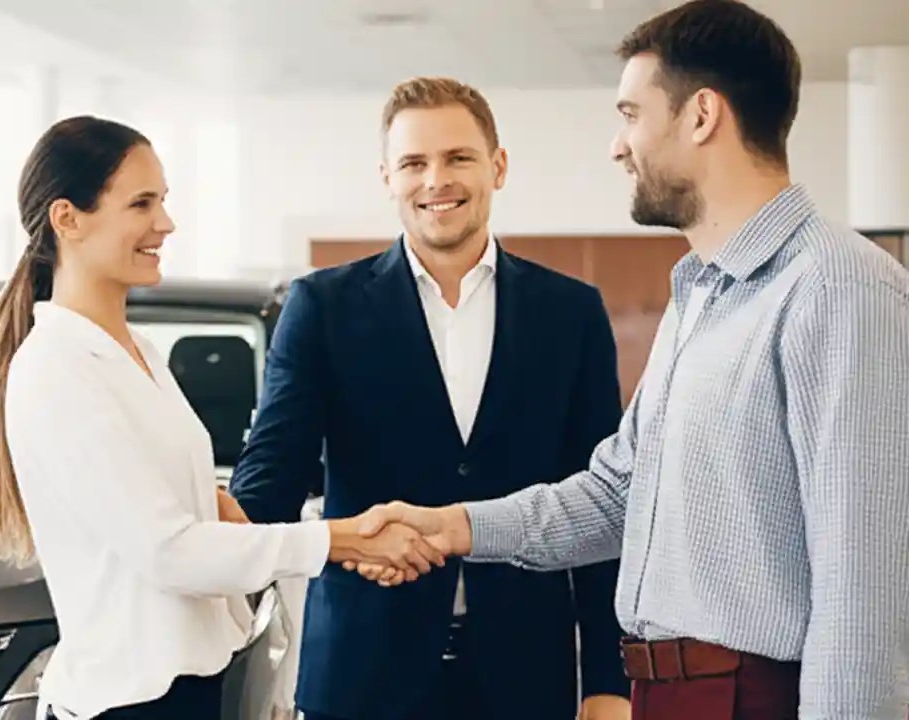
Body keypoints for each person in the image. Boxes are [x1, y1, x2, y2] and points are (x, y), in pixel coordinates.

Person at [352, 1, 909, 719]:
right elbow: (618, 491)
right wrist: (457, 526)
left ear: (702, 115)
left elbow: (864, 589)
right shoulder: (701, 292)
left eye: (631, 115)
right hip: (668, 690)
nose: (618, 146)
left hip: (754, 695)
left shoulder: (838, 290)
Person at [0, 115, 448, 720]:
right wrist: (342, 538)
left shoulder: (137, 350)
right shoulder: (57, 368)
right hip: (130, 703)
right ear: (68, 219)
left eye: (163, 201)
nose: (164, 223)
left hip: (198, 684)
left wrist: (332, 545)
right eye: (141, 203)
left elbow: (205, 512)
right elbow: (168, 551)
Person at [229, 77, 631, 720]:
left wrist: (610, 681)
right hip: (363, 675)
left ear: (497, 167)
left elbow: (604, 502)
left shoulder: (570, 313)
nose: (435, 180)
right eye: (414, 162)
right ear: (387, 175)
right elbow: (271, 483)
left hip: (527, 675)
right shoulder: (321, 308)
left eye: (458, 158)